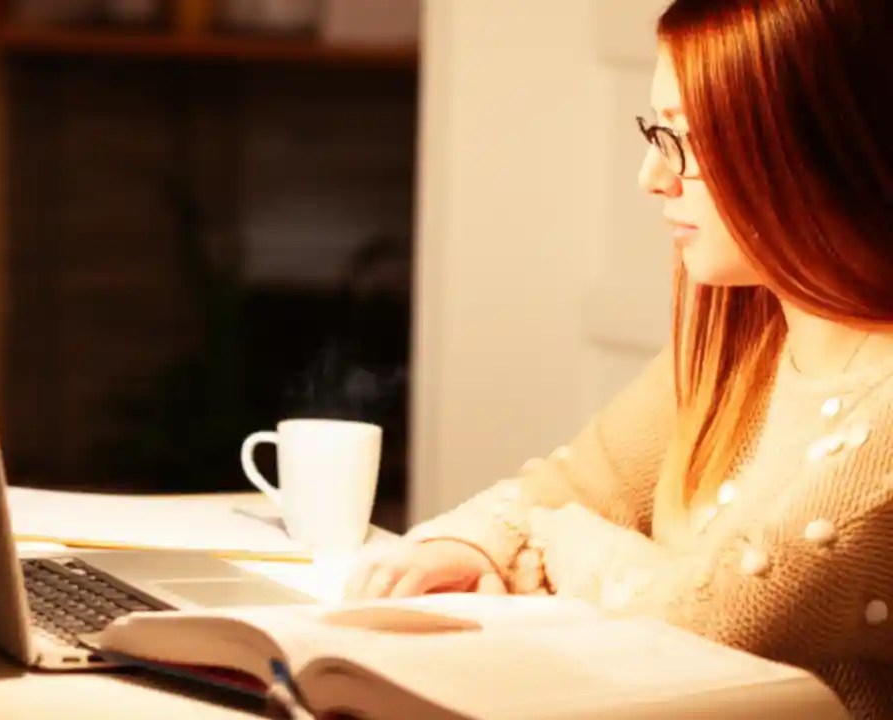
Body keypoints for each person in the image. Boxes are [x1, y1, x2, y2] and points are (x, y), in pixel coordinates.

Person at [345, 0, 893, 716]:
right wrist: (482, 543)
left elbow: (705, 624)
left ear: (821, 146)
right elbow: (564, 486)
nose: (653, 178)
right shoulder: (745, 343)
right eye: (658, 132)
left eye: (690, 142)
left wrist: (534, 541)